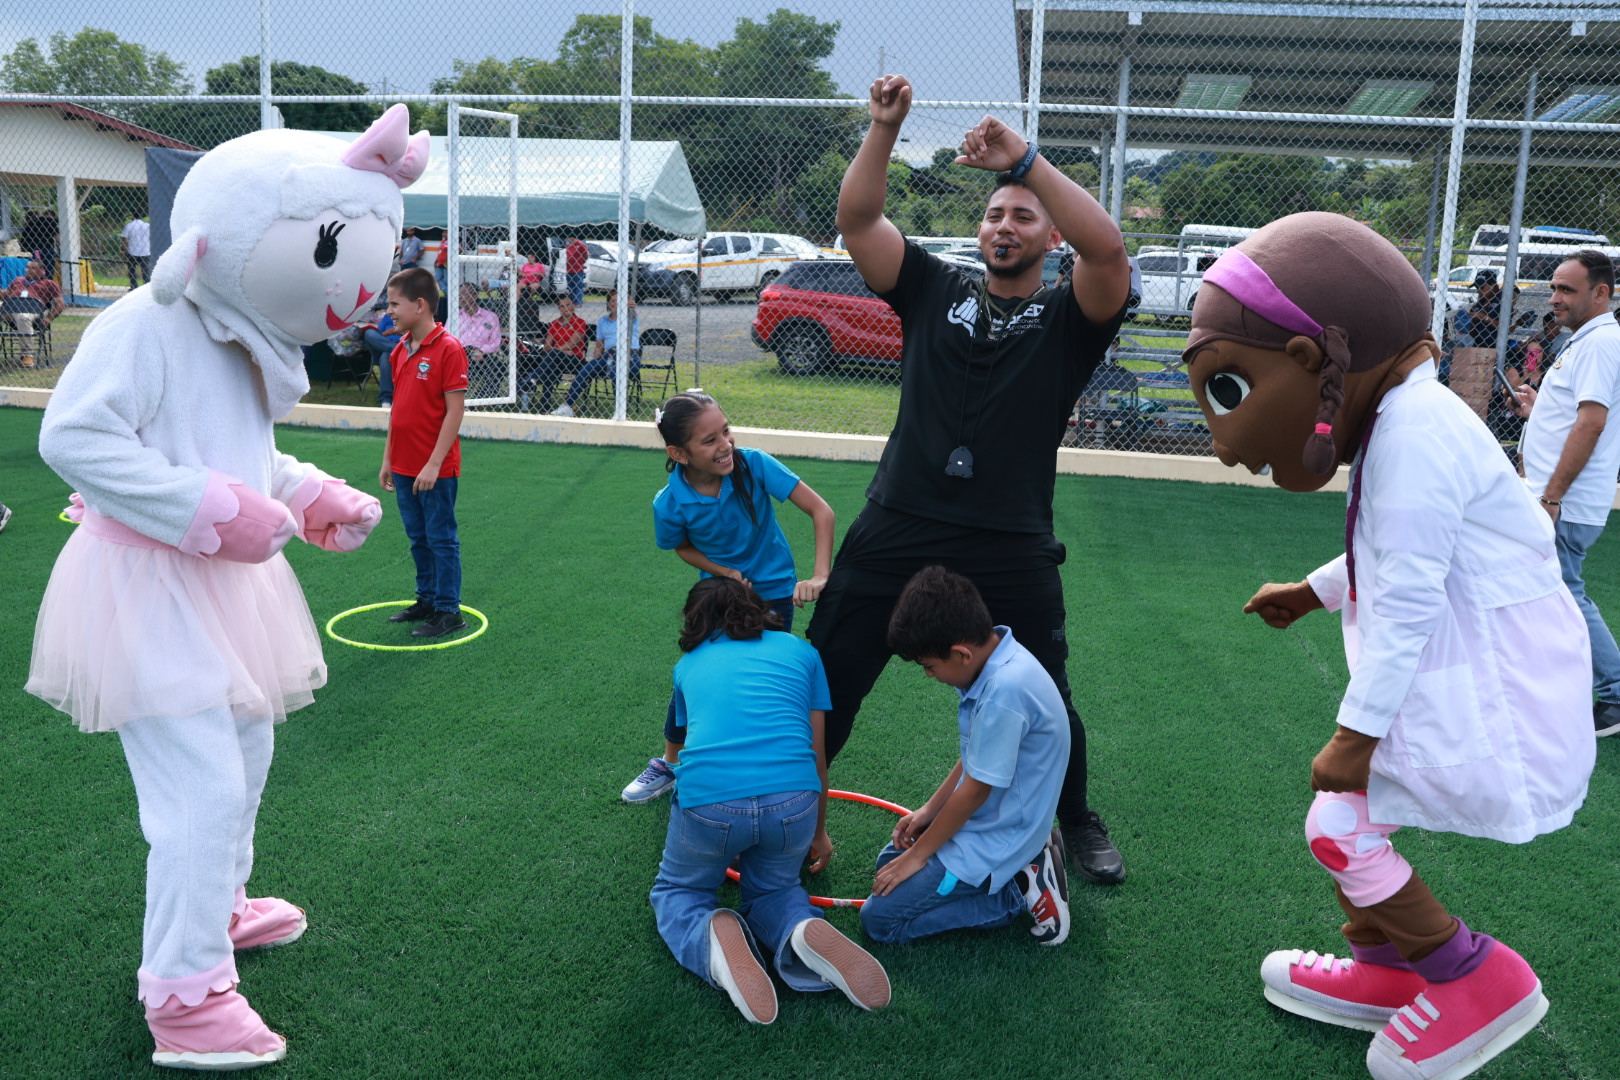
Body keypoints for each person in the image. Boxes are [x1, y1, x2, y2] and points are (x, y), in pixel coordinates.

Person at [25, 104, 417, 1071]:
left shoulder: (243, 335)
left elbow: (234, 449)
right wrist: (207, 508)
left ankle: (220, 906)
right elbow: (72, 440)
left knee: (245, 754)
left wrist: (308, 493)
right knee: (198, 789)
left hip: (221, 586)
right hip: (146, 585)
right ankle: (184, 995)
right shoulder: (148, 321)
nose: (357, 297)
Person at [1184, 212, 1592, 1080]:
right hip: (1461, 673)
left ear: (1309, 362)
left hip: (1487, 694)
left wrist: (1355, 735)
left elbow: (1408, 595)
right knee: (1342, 826)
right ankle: (1388, 970)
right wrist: (1315, 590)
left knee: (1339, 825)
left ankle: (1476, 976)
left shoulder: (1412, 433)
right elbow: (1396, 548)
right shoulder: (1406, 421)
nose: (1222, 443)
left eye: (1227, 390)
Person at [806, 73, 1132, 885]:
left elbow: (1109, 249)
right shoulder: (932, 286)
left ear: (1047, 237)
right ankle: (788, 807)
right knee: (828, 668)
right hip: (900, 517)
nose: (1005, 223)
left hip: (1008, 534)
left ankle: (1076, 816)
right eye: (994, 213)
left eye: (1022, 214)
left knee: (1047, 692)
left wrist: (1024, 161)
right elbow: (857, 220)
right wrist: (883, 127)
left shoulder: (1070, 317)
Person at [649, 576, 890, 1024]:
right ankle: (799, 928)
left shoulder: (688, 666)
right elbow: (818, 756)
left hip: (711, 802)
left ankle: (711, 934)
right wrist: (818, 832)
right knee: (778, 888)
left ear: (696, 621)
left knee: (679, 889)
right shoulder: (802, 652)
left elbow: (685, 745)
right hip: (793, 800)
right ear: (757, 609)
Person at [622, 391, 835, 805]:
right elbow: (681, 547)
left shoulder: (753, 464)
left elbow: (821, 511)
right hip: (718, 599)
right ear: (678, 453)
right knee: (694, 677)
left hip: (774, 595)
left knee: (764, 680)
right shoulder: (670, 504)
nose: (725, 446)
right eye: (710, 440)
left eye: (726, 432)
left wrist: (820, 575)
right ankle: (670, 764)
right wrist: (726, 573)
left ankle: (764, 766)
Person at [858, 566, 1072, 947]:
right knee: (887, 864)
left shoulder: (1004, 692)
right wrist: (928, 811)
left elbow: (975, 791)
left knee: (879, 920)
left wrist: (920, 856)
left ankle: (1017, 894)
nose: (928, 675)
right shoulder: (995, 662)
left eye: (929, 666)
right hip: (995, 822)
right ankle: (1023, 866)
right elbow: (977, 756)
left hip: (999, 836)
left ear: (960, 653)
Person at [1511, 249, 1620, 738]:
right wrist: (1538, 412)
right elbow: (1578, 417)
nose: (1554, 298)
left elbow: (1592, 422)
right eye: (1553, 287)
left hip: (1564, 502)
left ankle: (1616, 693)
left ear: (1601, 293)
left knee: (1566, 593)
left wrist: (1552, 497)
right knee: (1547, 591)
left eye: (1566, 290)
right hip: (1558, 497)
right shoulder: (1587, 342)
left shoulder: (1600, 343)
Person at [379, 267, 469, 639]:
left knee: (441, 537)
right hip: (402, 465)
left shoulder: (448, 349)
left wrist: (433, 464)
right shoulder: (400, 349)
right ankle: (427, 599)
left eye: (394, 304)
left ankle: (449, 610)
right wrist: (388, 458)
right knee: (417, 537)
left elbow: (455, 411)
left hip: (434, 470)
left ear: (419, 305)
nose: (389, 312)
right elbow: (399, 409)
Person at [551, 289, 639, 418]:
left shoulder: (629, 316)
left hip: (628, 355)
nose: (616, 303)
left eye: (620, 301)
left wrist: (631, 306)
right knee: (585, 370)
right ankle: (567, 406)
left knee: (616, 371)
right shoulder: (603, 321)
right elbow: (599, 344)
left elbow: (633, 314)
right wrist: (595, 361)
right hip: (608, 355)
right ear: (608, 304)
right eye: (613, 301)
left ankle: (620, 410)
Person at [520, 294, 588, 413]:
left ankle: (533, 379)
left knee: (552, 357)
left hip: (574, 359)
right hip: (555, 359)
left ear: (573, 305)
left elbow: (571, 344)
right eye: (561, 306)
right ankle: (544, 407)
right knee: (551, 365)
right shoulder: (554, 324)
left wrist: (556, 348)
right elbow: (546, 347)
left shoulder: (580, 322)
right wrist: (561, 350)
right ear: (558, 308)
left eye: (568, 304)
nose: (565, 308)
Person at [3, 260, 66, 368]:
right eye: (27, 267)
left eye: (32, 268)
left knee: (23, 316)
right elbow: (5, 296)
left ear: (42, 271)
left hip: (31, 311)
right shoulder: (18, 280)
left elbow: (60, 304)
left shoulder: (49, 284)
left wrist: (48, 319)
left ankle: (27, 354)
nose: (28, 270)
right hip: (10, 309)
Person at [358, 304, 402, 407]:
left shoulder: (410, 314)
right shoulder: (388, 316)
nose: (391, 310)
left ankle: (386, 399)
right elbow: (380, 334)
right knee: (369, 333)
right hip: (386, 344)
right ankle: (395, 350)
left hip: (402, 345)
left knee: (385, 357)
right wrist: (392, 331)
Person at [121, 215, 152, 287]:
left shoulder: (129, 226)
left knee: (131, 270)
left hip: (132, 252)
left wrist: (123, 249)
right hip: (145, 251)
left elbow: (125, 241)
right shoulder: (147, 225)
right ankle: (146, 286)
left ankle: (134, 286)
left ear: (132, 216)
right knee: (145, 270)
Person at [565, 235, 588, 305]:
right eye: (569, 238)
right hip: (569, 270)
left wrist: (581, 262)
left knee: (578, 286)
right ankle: (573, 301)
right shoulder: (568, 246)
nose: (570, 239)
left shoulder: (581, 245)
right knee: (570, 286)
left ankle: (578, 302)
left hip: (578, 270)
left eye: (572, 237)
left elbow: (586, 255)